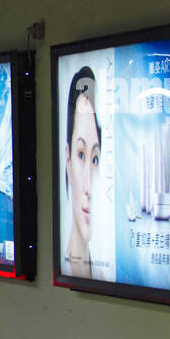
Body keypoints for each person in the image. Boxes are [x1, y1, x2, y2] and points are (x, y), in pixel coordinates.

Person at [62, 66, 102, 280]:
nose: (89, 188)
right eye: (80, 155)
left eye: (95, 159)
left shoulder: (103, 276)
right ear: (67, 160)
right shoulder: (63, 267)